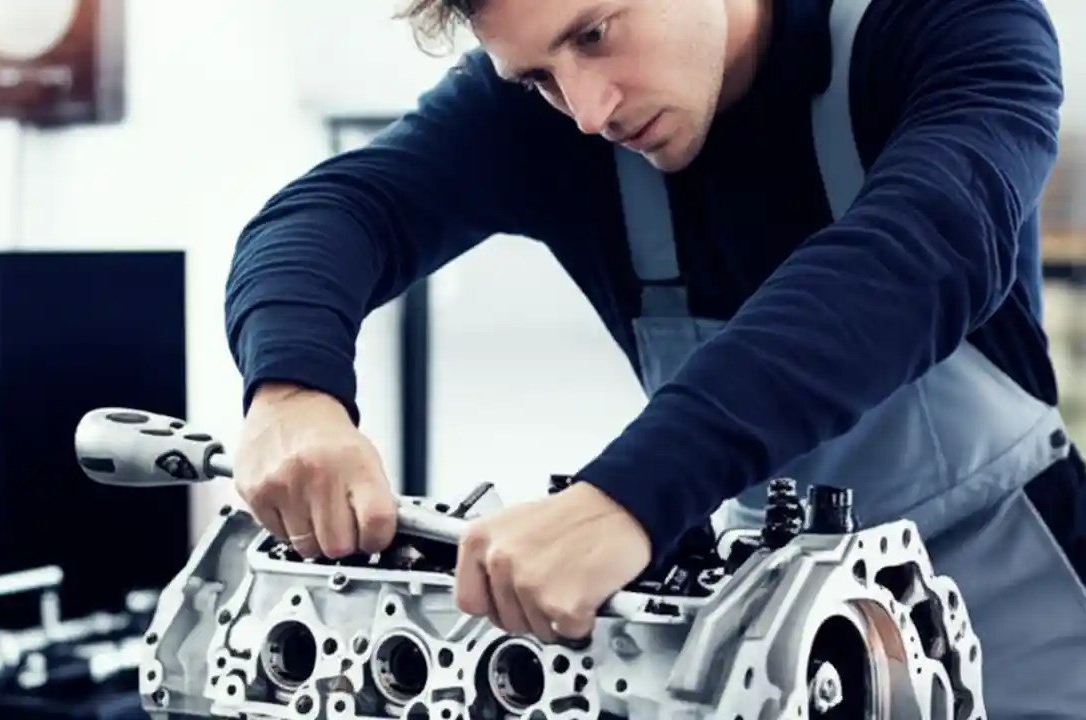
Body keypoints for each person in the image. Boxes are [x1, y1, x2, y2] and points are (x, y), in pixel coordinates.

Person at [226, 0, 1086, 713]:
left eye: (596, 34)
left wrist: (627, 500)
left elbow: (919, 255)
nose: (589, 112)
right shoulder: (549, 109)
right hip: (763, 635)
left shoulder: (953, 24)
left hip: (1015, 601)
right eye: (539, 77)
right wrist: (292, 391)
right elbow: (338, 211)